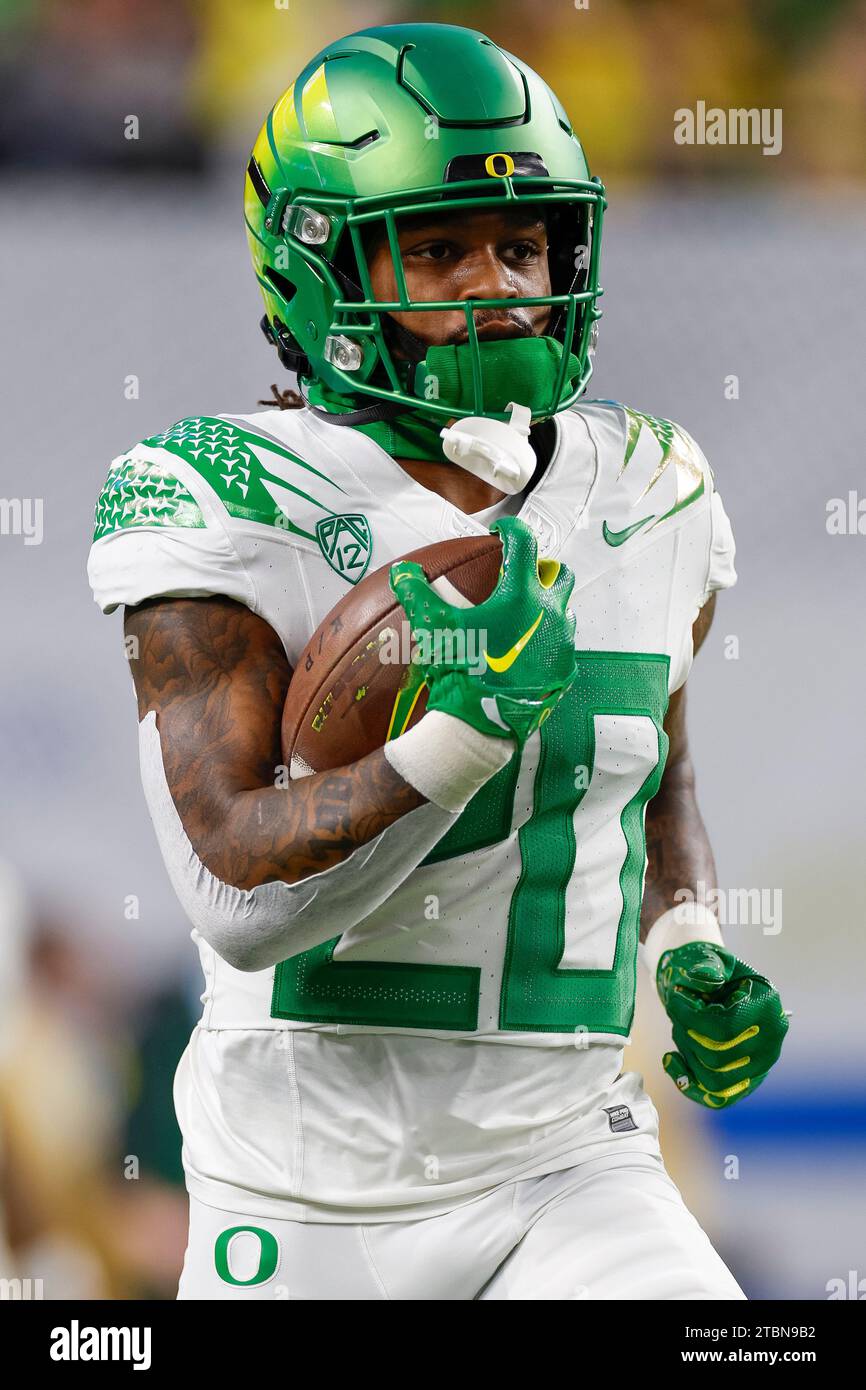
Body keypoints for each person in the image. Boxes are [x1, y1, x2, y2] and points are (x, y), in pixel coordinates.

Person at [87, 23, 788, 1300]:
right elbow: (239, 905)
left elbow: (655, 769)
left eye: (520, 245)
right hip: (302, 1182)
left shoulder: (650, 482)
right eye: (439, 248)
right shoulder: (227, 493)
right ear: (319, 264)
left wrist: (681, 931)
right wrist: (462, 732)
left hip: (567, 1161)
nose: (497, 286)